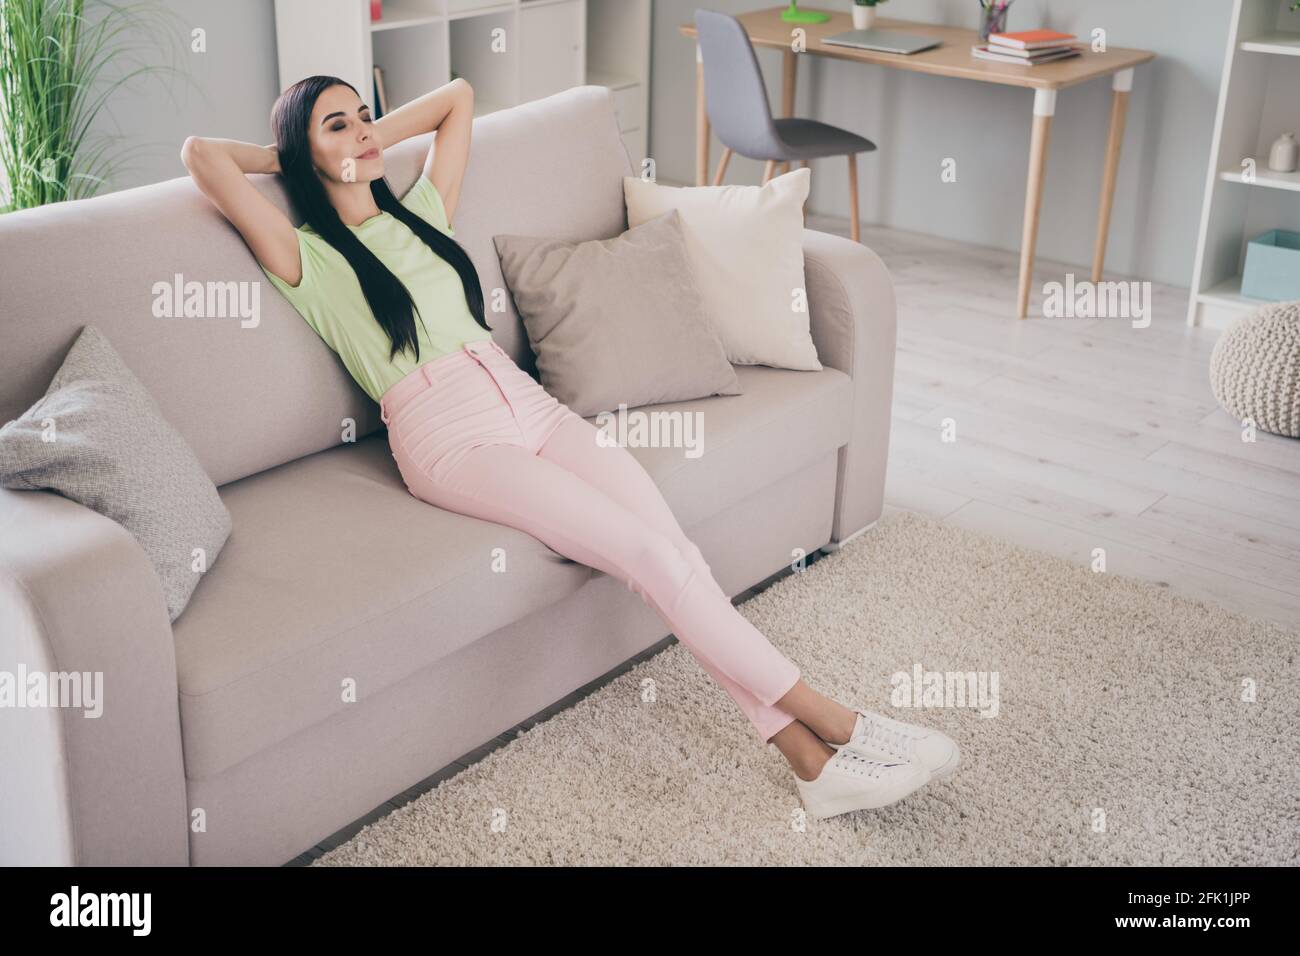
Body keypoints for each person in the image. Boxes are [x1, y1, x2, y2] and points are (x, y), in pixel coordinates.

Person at [180, 75, 959, 819]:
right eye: (337, 123)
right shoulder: (305, 256)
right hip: (447, 436)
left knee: (673, 548)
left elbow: (457, 101)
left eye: (364, 114)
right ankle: (843, 723)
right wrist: (292, 158)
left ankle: (810, 764)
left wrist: (358, 140)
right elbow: (200, 157)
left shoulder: (420, 211)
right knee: (648, 560)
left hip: (525, 400)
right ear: (302, 152)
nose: (363, 132)